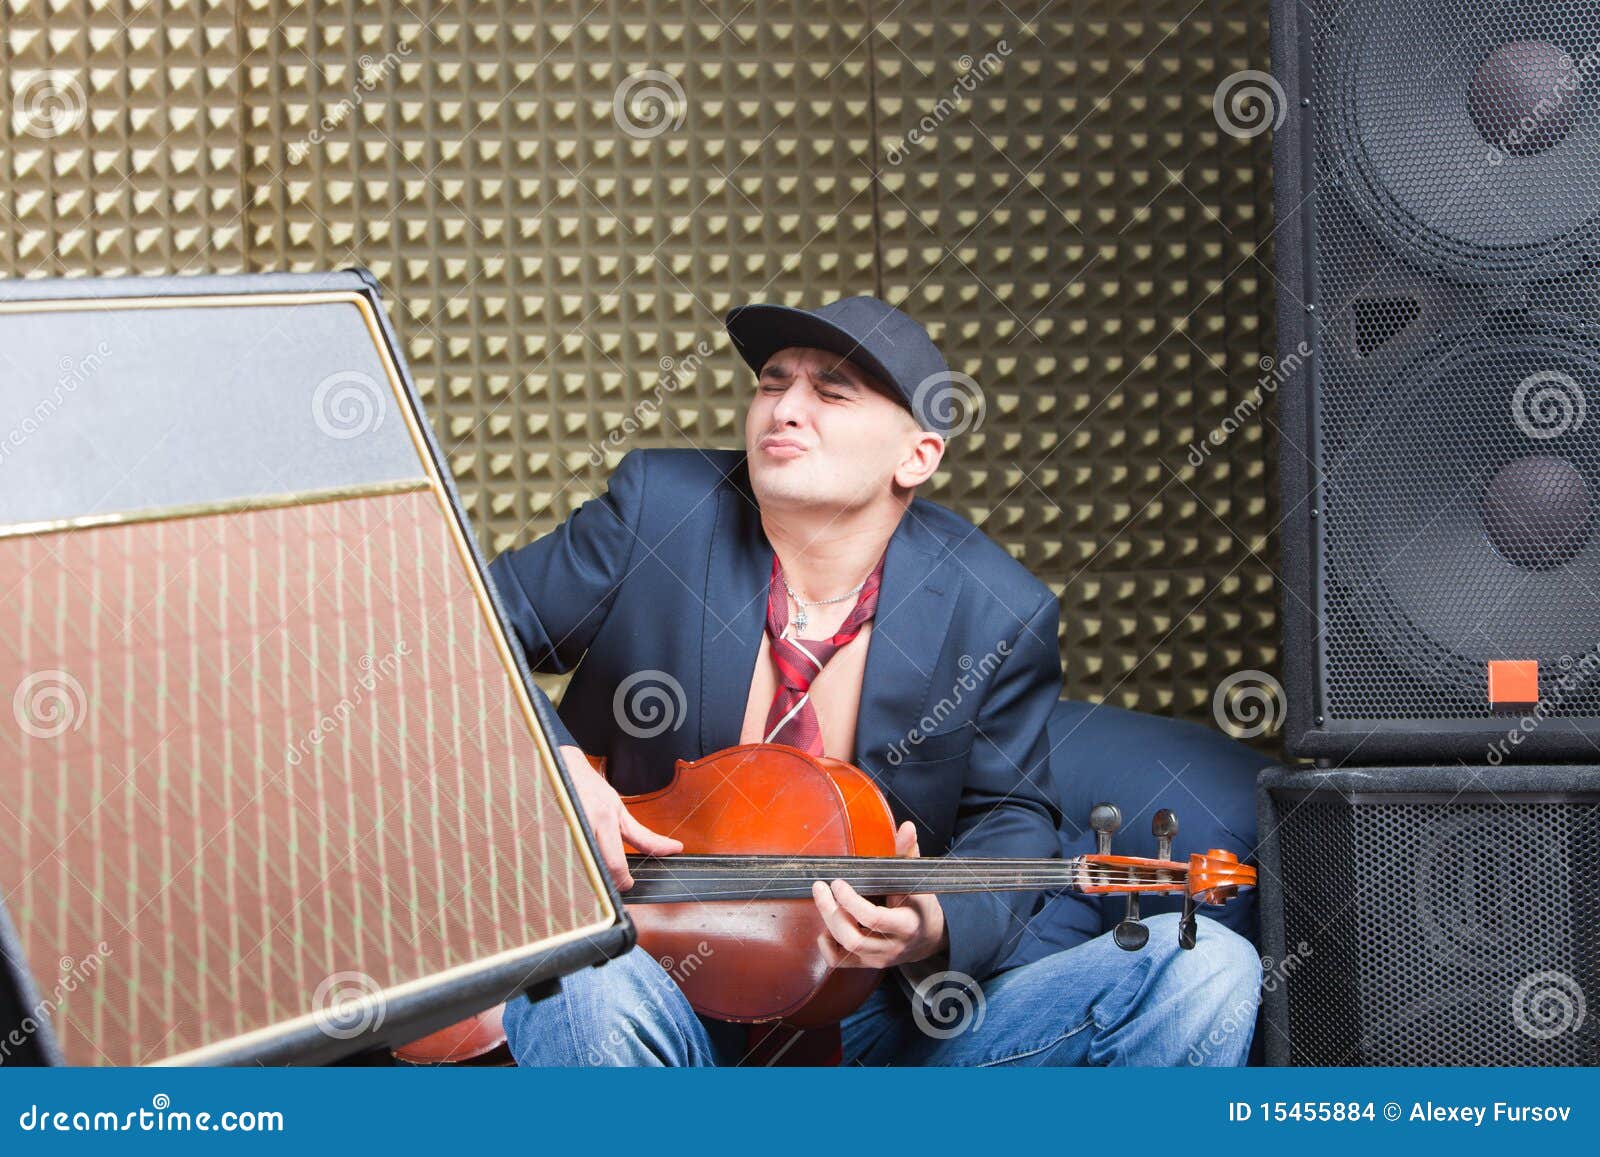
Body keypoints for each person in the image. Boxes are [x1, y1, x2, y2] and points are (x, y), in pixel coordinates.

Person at [487, 296, 1261, 1065]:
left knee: (1206, 968)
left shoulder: (994, 608)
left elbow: (1013, 812)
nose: (785, 407)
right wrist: (553, 766)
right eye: (771, 382)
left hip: (868, 1023)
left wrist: (937, 922)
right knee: (573, 974)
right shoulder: (658, 511)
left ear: (917, 456)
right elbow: (462, 628)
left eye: (831, 391)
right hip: (652, 991)